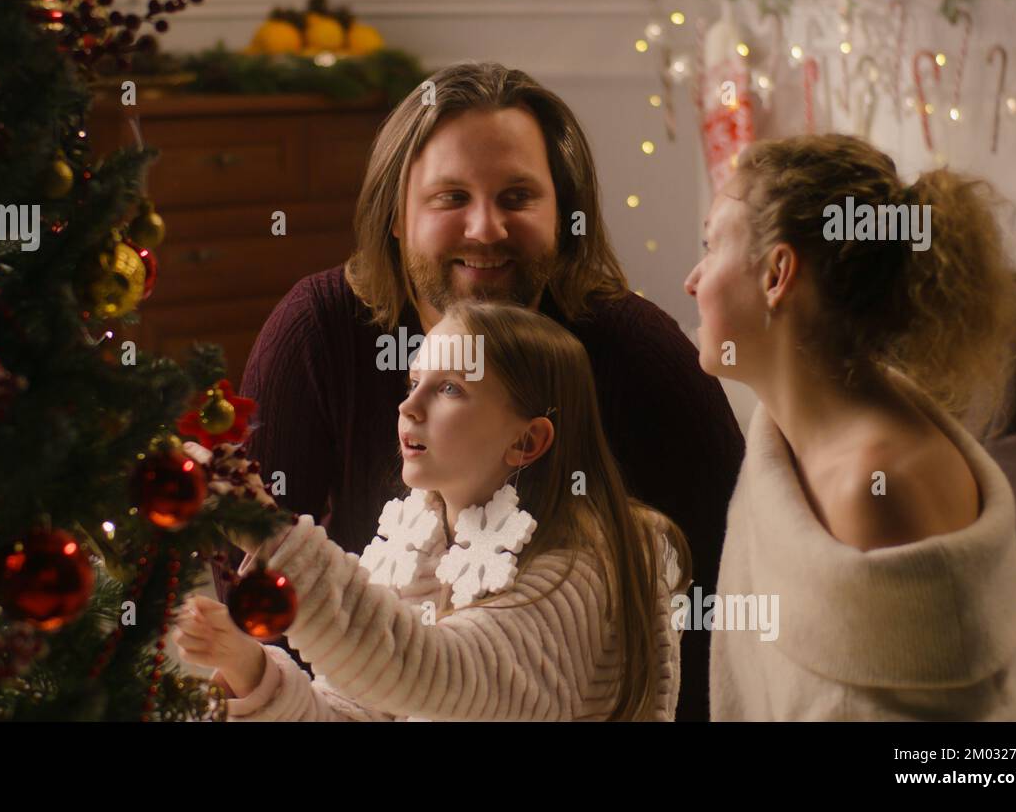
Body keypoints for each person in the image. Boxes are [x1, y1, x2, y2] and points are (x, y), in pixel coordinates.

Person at [239, 60, 743, 721]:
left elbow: (730, 584)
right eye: (451, 198)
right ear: (395, 217)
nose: (485, 229)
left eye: (517, 197)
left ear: (564, 215)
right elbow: (249, 590)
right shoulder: (317, 333)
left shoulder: (641, 357)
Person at [686, 133, 1016, 720]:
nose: (693, 279)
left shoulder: (875, 488)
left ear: (776, 274)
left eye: (710, 245)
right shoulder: (789, 440)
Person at [176, 302, 691, 721]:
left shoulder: (581, 568)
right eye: (413, 382)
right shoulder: (418, 541)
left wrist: (275, 539)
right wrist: (253, 672)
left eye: (449, 389)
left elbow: (433, 671)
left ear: (527, 440)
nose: (409, 406)